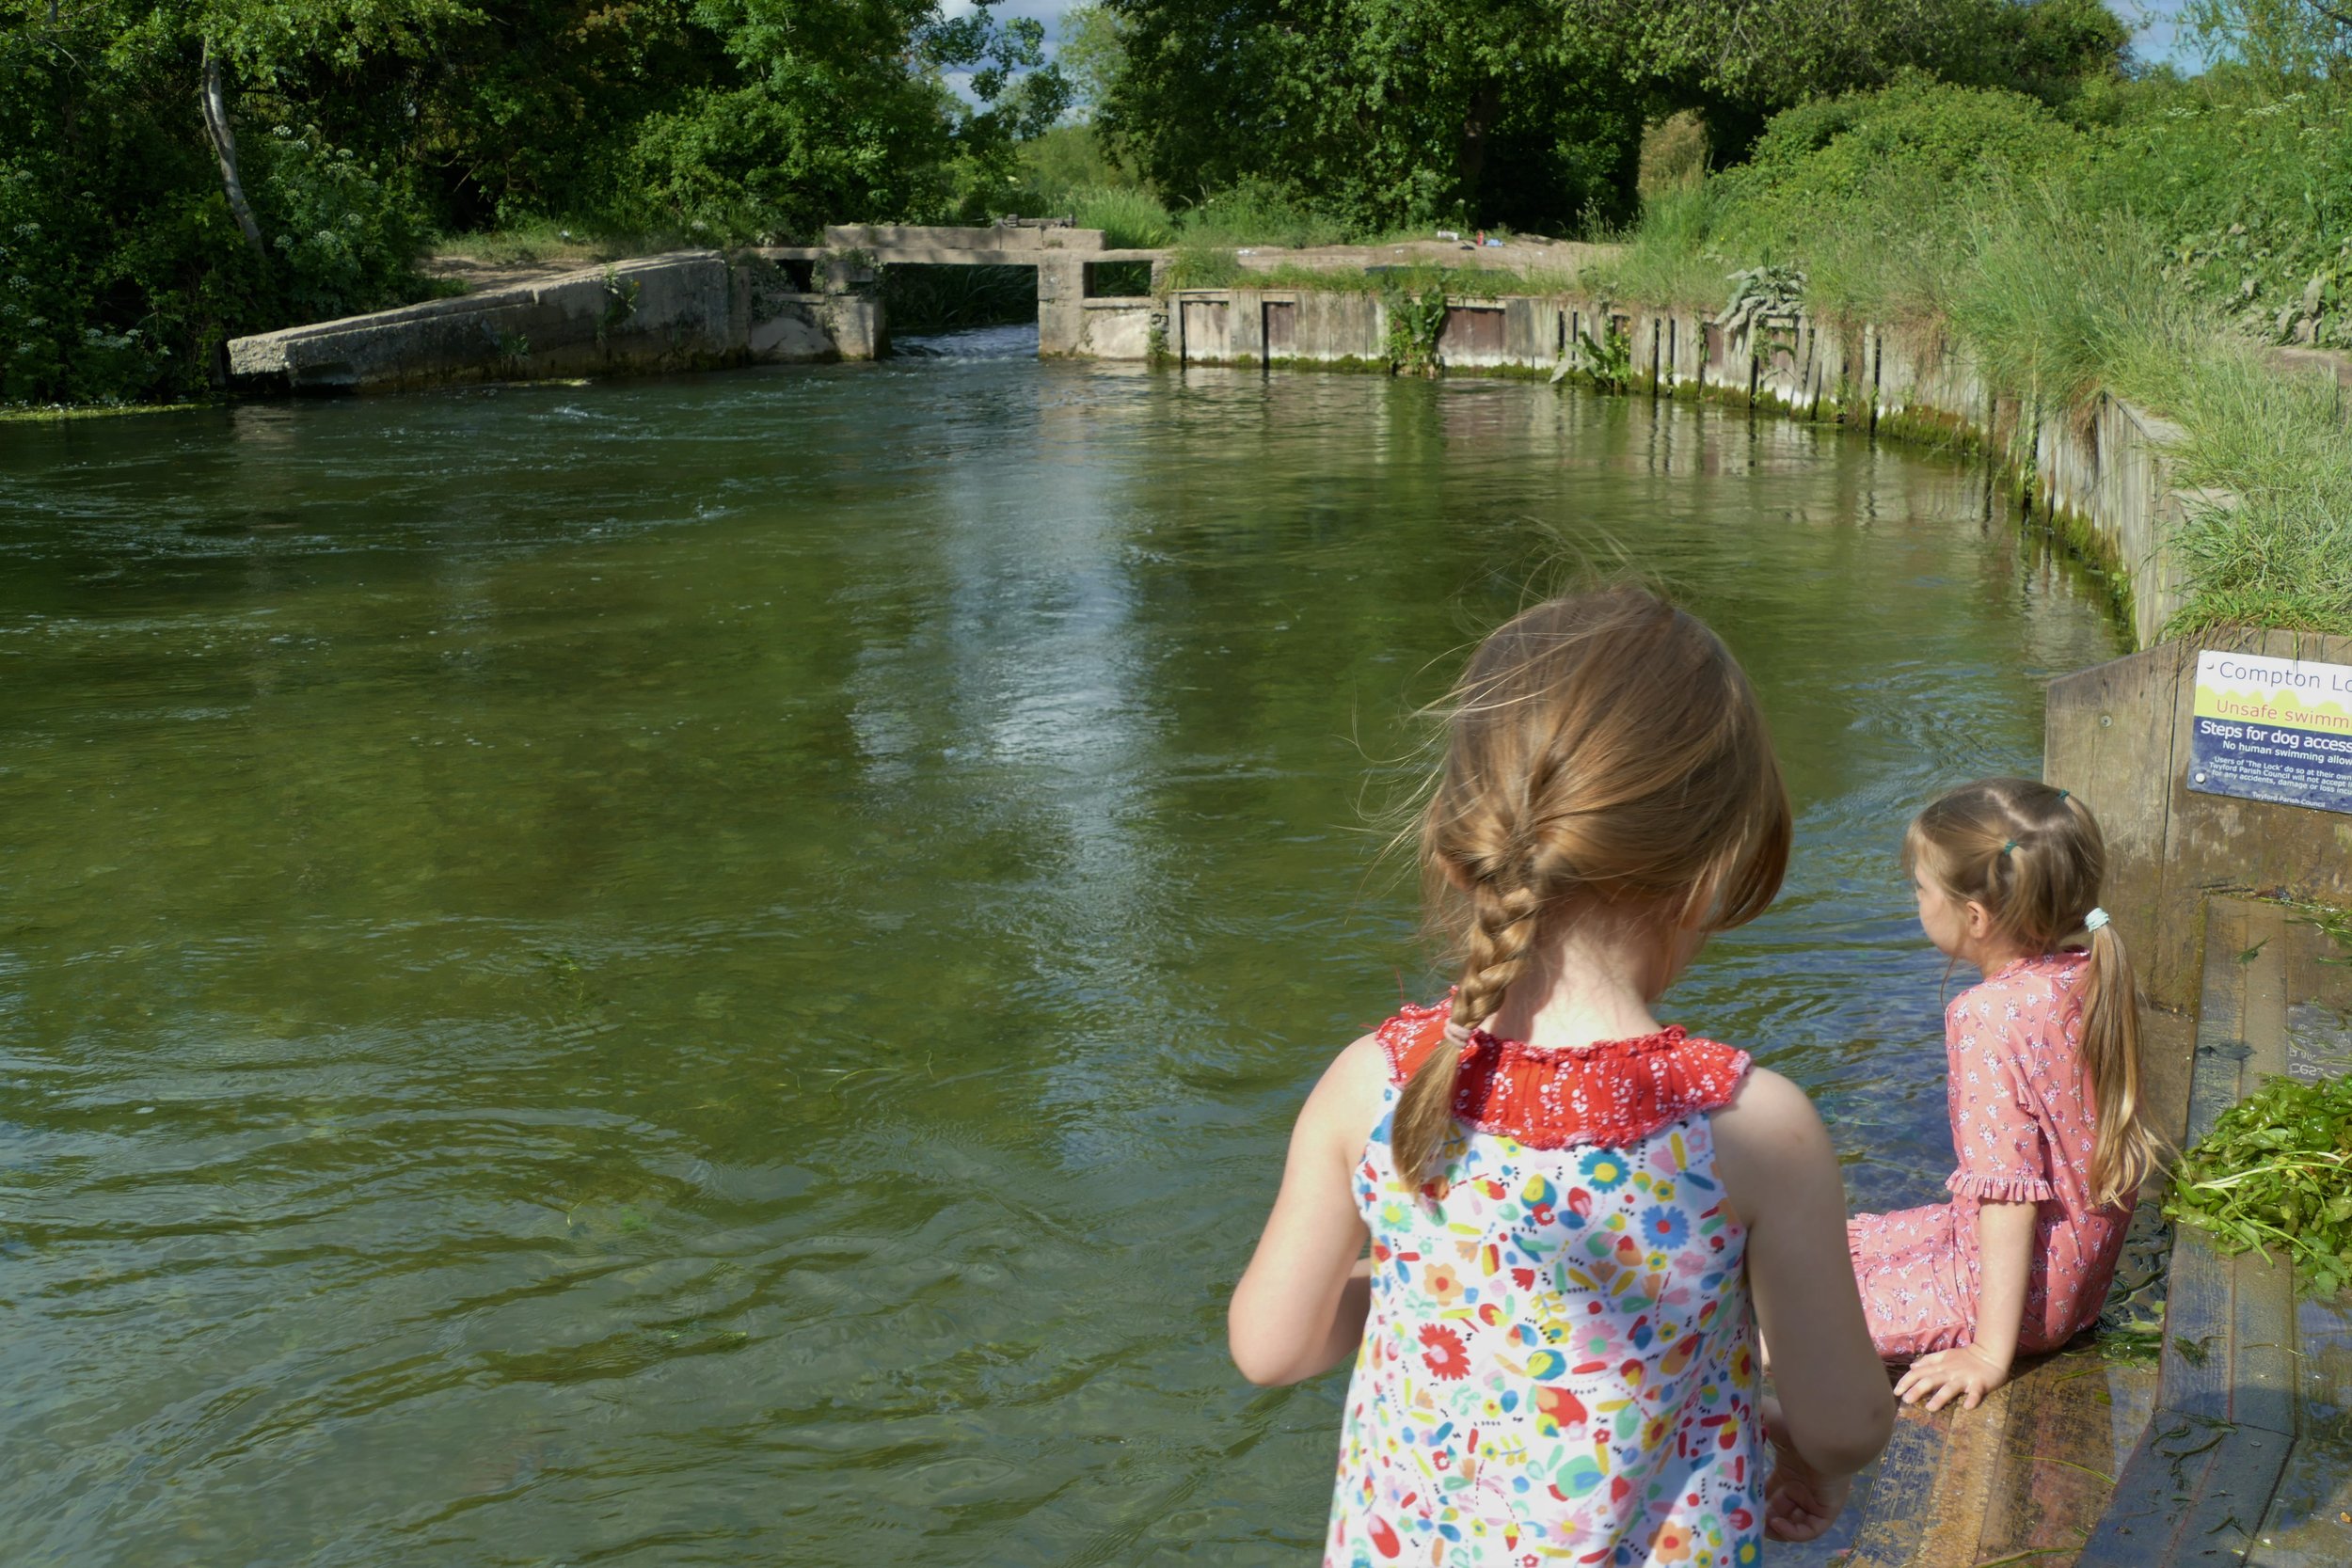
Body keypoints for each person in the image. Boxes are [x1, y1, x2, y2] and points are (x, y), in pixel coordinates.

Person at [1227, 586, 1894, 1567]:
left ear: (1464, 851)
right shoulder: (1746, 1128)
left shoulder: (1372, 1080)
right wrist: (1801, 1445)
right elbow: (1844, 1420)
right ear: (1714, 866)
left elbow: (1270, 1345)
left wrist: (1423, 1282)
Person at [1848, 778, 2163, 1412]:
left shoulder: (1986, 1016)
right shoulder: (2090, 968)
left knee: (1791, 1323)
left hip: (2016, 1298)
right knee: (1838, 1245)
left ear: (1974, 916)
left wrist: (1990, 1353)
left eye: (1920, 888)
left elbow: (2006, 1196)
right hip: (2075, 1275)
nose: (1917, 899)